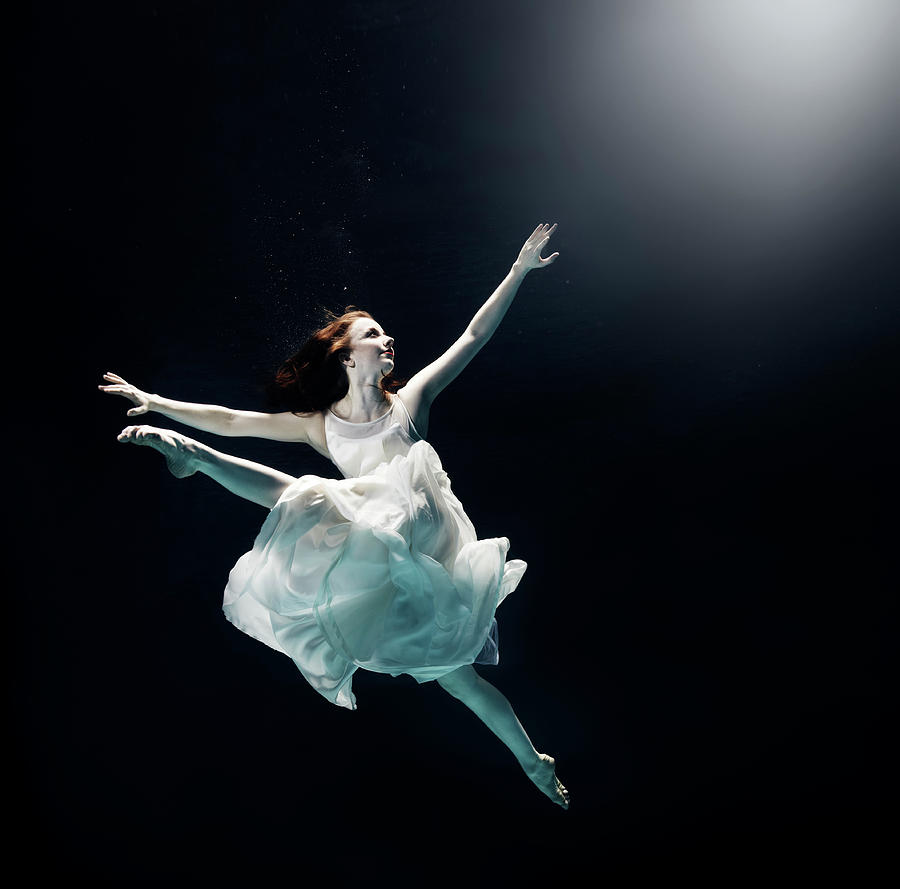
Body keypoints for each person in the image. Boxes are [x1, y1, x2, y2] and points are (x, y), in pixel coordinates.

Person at [100, 223, 569, 808]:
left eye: (386, 332)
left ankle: (196, 463)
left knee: (319, 497)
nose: (389, 339)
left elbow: (473, 335)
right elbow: (231, 417)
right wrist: (158, 401)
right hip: (380, 545)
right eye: (375, 334)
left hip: (426, 533)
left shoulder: (411, 400)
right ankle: (532, 760)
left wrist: (518, 270)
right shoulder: (319, 423)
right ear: (346, 353)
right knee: (456, 676)